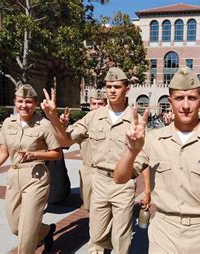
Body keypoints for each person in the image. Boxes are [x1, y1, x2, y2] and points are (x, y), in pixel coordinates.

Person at [113, 67, 200, 253]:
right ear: (170, 102)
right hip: (163, 230)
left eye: (192, 98)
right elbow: (120, 178)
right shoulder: (154, 139)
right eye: (179, 98)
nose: (185, 105)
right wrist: (131, 150)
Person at [41, 67, 150, 253]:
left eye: (116, 86)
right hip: (98, 181)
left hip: (123, 184)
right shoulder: (93, 117)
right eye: (109, 86)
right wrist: (52, 116)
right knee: (97, 234)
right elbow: (65, 140)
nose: (112, 90)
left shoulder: (136, 121)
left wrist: (134, 180)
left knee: (121, 237)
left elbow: (144, 156)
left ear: (127, 89)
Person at [0, 84, 61, 253]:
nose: (23, 105)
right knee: (15, 227)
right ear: (15, 102)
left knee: (27, 232)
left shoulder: (44, 124)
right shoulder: (8, 123)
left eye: (28, 102)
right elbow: (2, 152)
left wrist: (34, 154)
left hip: (36, 177)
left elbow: (56, 154)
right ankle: (46, 231)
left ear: (35, 103)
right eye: (20, 101)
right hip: (14, 176)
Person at [77, 89, 107, 210]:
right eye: (94, 104)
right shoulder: (83, 123)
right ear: (89, 105)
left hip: (105, 171)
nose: (97, 107)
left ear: (106, 105)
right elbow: (66, 139)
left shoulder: (112, 123)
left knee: (103, 208)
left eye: (100, 104)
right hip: (88, 169)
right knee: (88, 205)